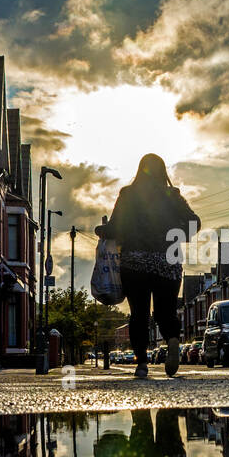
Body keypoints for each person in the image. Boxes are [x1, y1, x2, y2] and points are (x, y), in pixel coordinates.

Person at [95, 154, 199, 378]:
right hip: (168, 263)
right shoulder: (172, 195)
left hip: (135, 264)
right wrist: (177, 235)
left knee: (139, 314)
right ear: (163, 172)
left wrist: (101, 231)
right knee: (165, 311)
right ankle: (172, 339)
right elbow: (195, 222)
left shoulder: (128, 194)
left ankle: (142, 363)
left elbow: (115, 227)